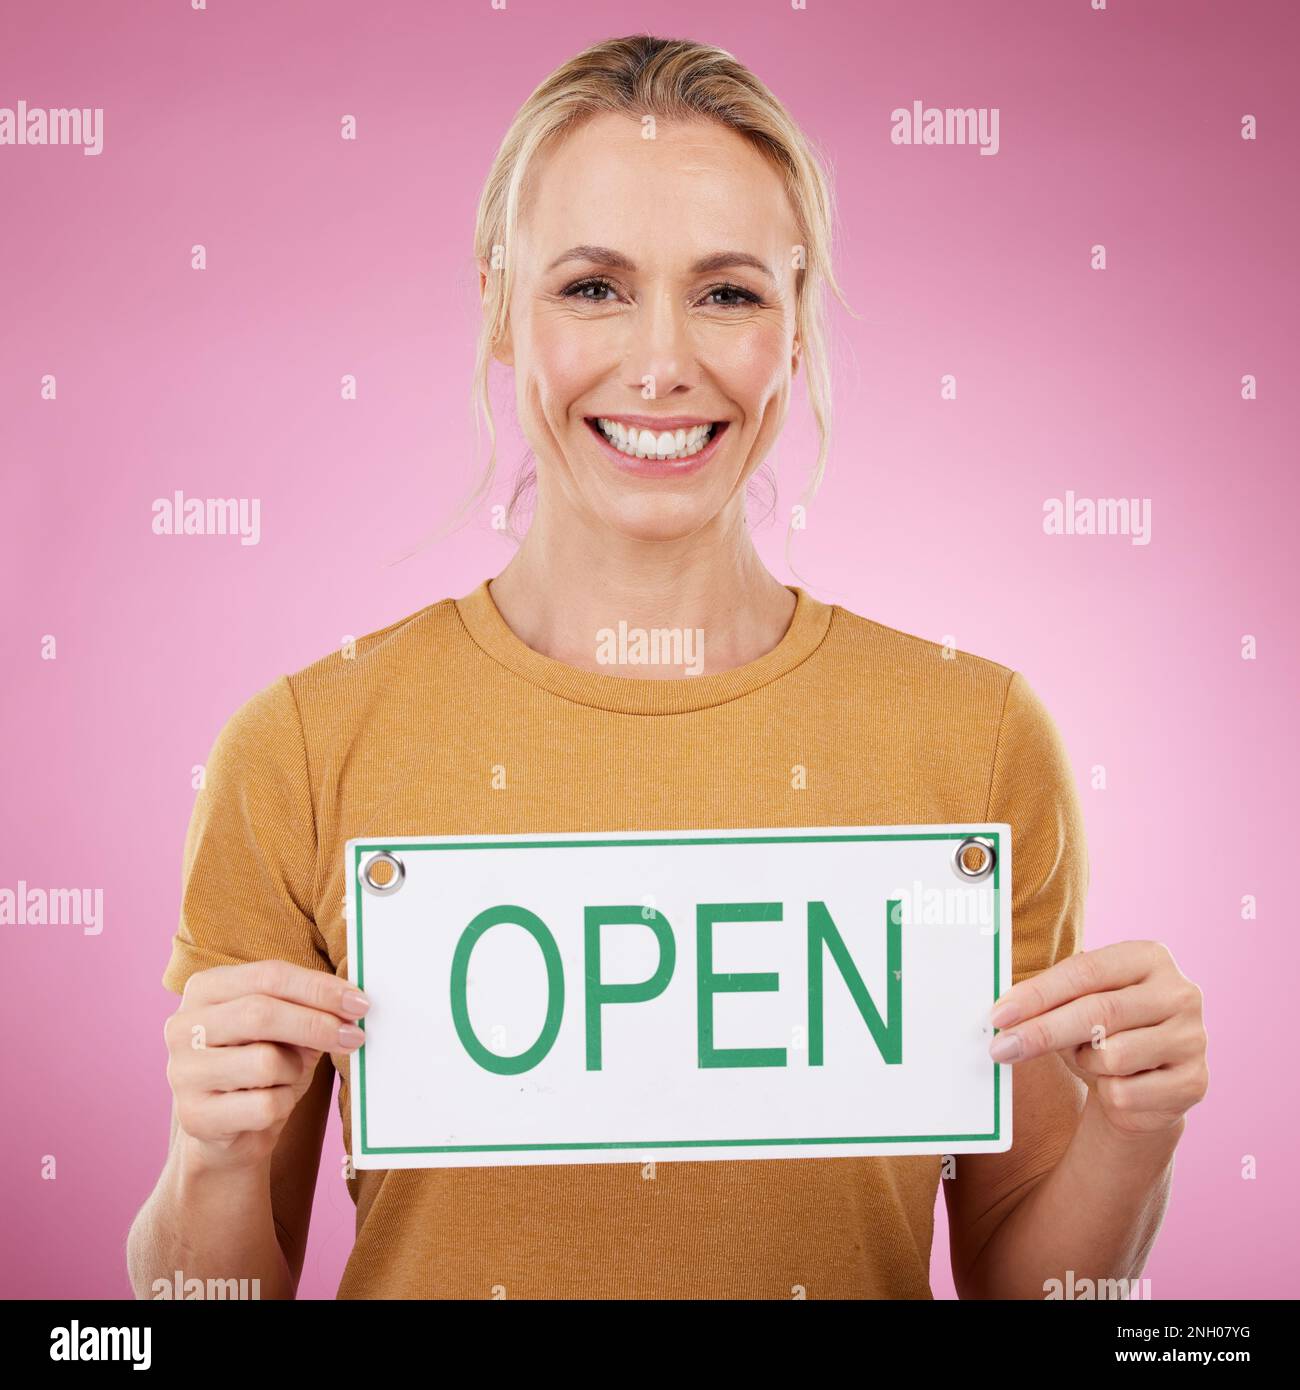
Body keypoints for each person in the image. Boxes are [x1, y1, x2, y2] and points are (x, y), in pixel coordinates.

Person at [127, 34, 1207, 1300]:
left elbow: (1034, 1294)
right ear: (495, 306)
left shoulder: (972, 737)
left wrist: (1137, 1132)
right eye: (591, 286)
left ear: (794, 329)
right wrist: (208, 1158)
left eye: (729, 293)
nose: (659, 362)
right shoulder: (305, 746)